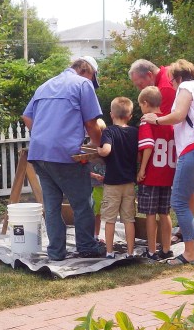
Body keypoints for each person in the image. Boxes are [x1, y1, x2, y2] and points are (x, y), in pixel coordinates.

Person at [141, 59, 194, 266]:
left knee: (178, 201)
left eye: (172, 81)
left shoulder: (186, 87)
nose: (172, 86)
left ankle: (189, 252)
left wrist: (156, 120)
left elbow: (178, 115)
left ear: (179, 77)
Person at [22, 57, 106, 261]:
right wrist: (99, 146)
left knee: (51, 206)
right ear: (88, 71)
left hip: (40, 153)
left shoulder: (45, 85)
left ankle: (56, 252)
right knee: (82, 203)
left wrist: (45, 135)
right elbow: (92, 123)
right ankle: (86, 246)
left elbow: (26, 117)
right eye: (94, 79)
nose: (92, 84)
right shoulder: (82, 84)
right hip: (65, 155)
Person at [130, 57, 194, 240]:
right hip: (174, 157)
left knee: (181, 194)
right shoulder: (168, 77)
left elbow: (165, 124)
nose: (140, 88)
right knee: (168, 208)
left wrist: (142, 167)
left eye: (140, 83)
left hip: (172, 156)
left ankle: (185, 233)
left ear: (150, 75)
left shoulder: (166, 88)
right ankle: (179, 236)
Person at [135, 85, 176, 260]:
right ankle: (166, 249)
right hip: (168, 173)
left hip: (152, 175)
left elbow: (148, 146)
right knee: (165, 212)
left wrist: (142, 169)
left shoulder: (146, 122)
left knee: (150, 214)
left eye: (140, 105)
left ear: (145, 103)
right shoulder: (170, 121)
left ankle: (151, 251)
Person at [96, 97, 139, 257]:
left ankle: (109, 251)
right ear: (130, 115)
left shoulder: (108, 131)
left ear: (111, 114)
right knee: (129, 219)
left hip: (112, 183)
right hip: (128, 182)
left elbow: (106, 150)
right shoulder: (135, 132)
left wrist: (99, 151)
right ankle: (130, 251)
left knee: (110, 218)